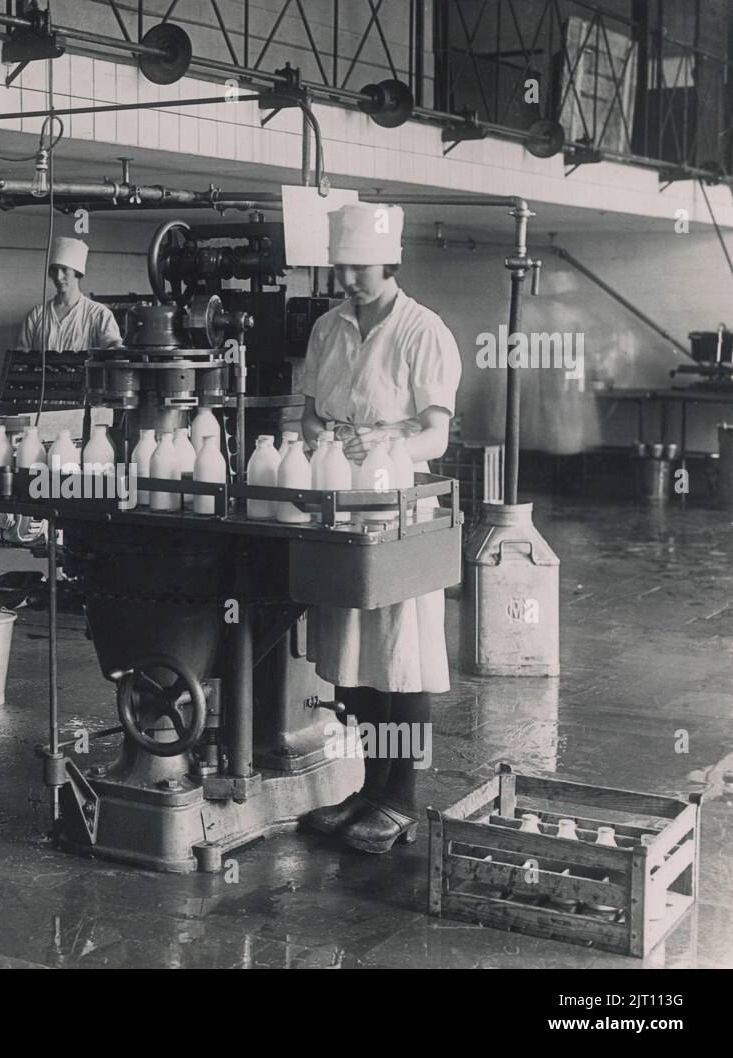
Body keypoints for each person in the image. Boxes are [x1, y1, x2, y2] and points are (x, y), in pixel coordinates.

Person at [298, 202, 462, 854]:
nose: (349, 281)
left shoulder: (424, 331)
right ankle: (367, 788)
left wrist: (383, 438)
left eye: (360, 268)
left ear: (389, 262)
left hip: (399, 515)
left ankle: (401, 801)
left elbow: (437, 432)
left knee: (401, 659)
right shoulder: (327, 329)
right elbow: (307, 415)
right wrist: (323, 435)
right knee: (351, 660)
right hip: (340, 510)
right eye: (341, 268)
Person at [17, 237, 124, 352]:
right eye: (54, 270)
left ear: (77, 272)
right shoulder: (36, 315)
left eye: (64, 270)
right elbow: (21, 355)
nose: (58, 277)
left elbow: (113, 345)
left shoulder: (98, 313)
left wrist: (116, 346)